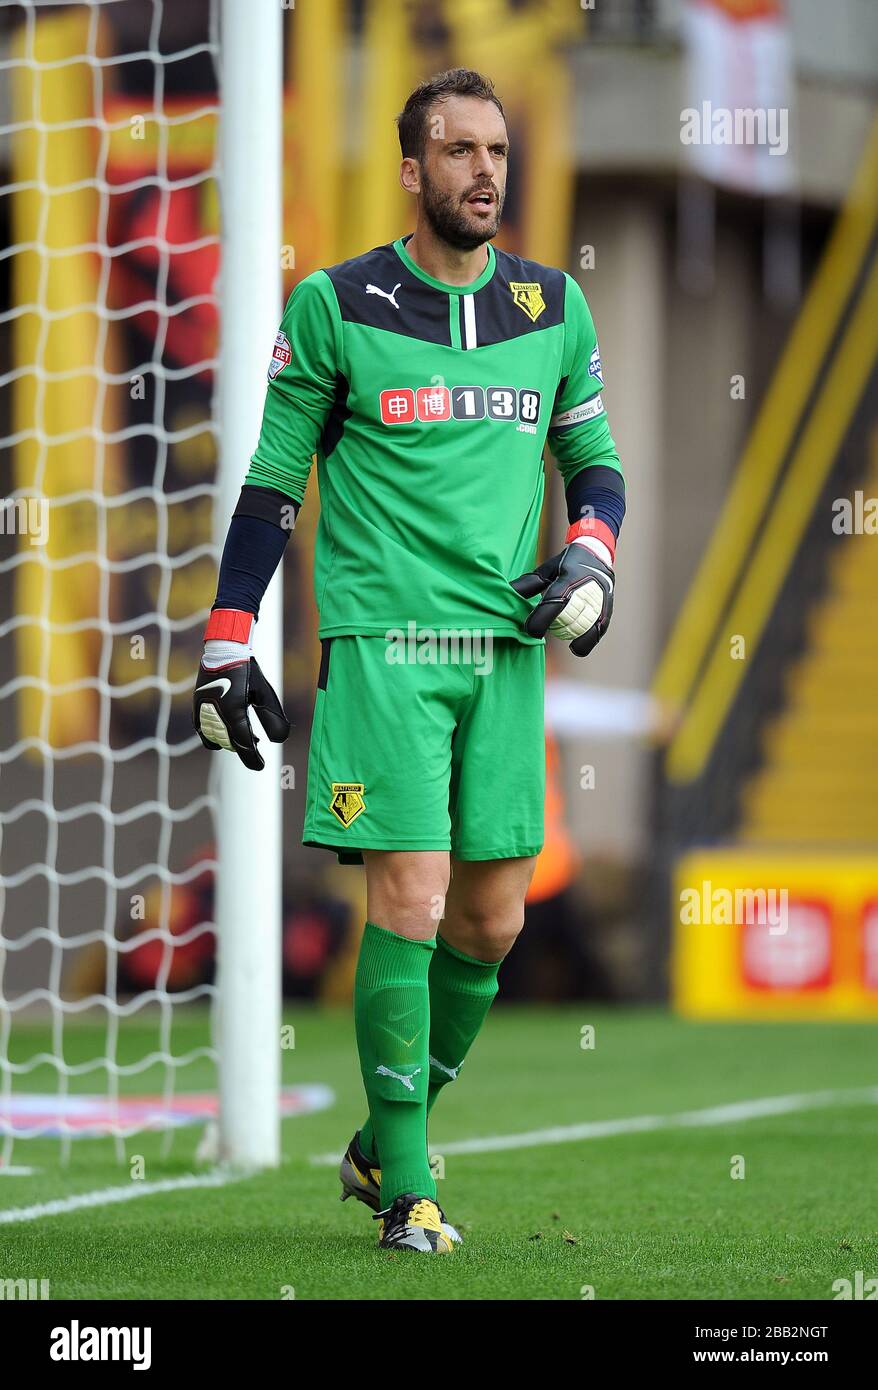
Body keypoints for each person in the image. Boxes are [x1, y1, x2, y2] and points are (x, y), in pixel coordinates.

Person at [192, 67, 625, 1253]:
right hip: (384, 643)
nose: (484, 170)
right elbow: (274, 484)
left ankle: (389, 1134)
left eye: (495, 150)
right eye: (458, 150)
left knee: (490, 924)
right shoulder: (335, 304)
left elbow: (595, 471)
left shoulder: (554, 311)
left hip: (506, 649)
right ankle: (408, 1193)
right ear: (409, 169)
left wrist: (587, 559)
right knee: (413, 896)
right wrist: (226, 640)